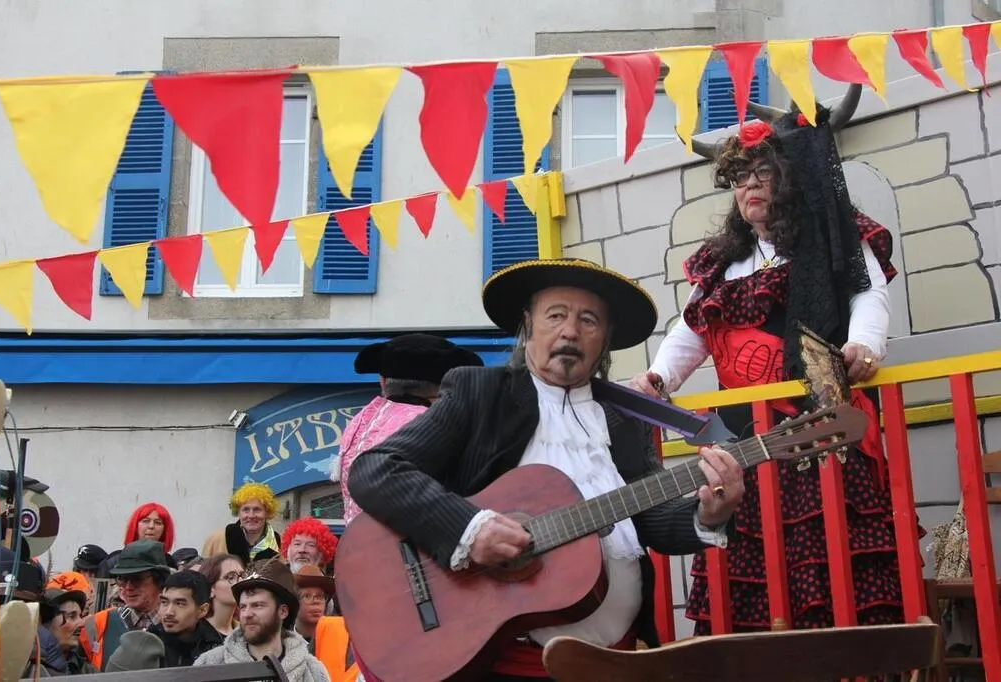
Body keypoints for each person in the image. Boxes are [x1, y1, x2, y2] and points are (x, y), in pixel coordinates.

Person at [348, 258, 744, 681]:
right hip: (508, 663)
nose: (570, 331)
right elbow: (377, 468)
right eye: (555, 316)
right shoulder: (480, 393)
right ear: (528, 326)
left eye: (588, 320)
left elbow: (646, 517)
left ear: (605, 339)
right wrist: (468, 528)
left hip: (618, 661)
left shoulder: (624, 419)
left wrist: (707, 515)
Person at [630, 85, 912, 633]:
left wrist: (864, 344)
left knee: (829, 570)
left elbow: (868, 293)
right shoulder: (721, 261)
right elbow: (690, 330)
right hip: (741, 445)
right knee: (748, 575)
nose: (750, 186)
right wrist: (659, 376)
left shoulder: (832, 238)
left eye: (764, 174)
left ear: (792, 180)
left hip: (817, 435)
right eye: (741, 177)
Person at [332, 333, 484, 525]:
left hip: (355, 541)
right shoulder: (435, 424)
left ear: (383, 381)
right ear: (444, 387)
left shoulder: (358, 423)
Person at [194, 558, 330, 682]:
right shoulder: (209, 666)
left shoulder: (313, 672)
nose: (247, 614)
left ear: (283, 611)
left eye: (257, 605)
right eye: (243, 606)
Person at [80, 539, 171, 670]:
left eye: (137, 579)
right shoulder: (98, 623)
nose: (128, 587)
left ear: (160, 580)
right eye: (122, 579)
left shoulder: (177, 623)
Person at [293, 565, 359, 682]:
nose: (315, 601)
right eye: (307, 596)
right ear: (294, 602)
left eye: (320, 596)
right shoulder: (282, 641)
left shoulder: (346, 636)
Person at [148, 570, 224, 667]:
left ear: (202, 610)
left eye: (179, 604)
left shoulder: (217, 650)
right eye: (164, 602)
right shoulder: (146, 646)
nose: (168, 612)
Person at [202, 482, 282, 566]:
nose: (251, 515)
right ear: (238, 512)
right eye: (246, 510)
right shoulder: (218, 539)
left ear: (267, 512)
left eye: (257, 509)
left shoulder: (277, 543)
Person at [199, 553, 245, 637]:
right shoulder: (195, 634)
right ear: (210, 589)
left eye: (242, 576)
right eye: (231, 577)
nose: (241, 581)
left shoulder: (246, 633)